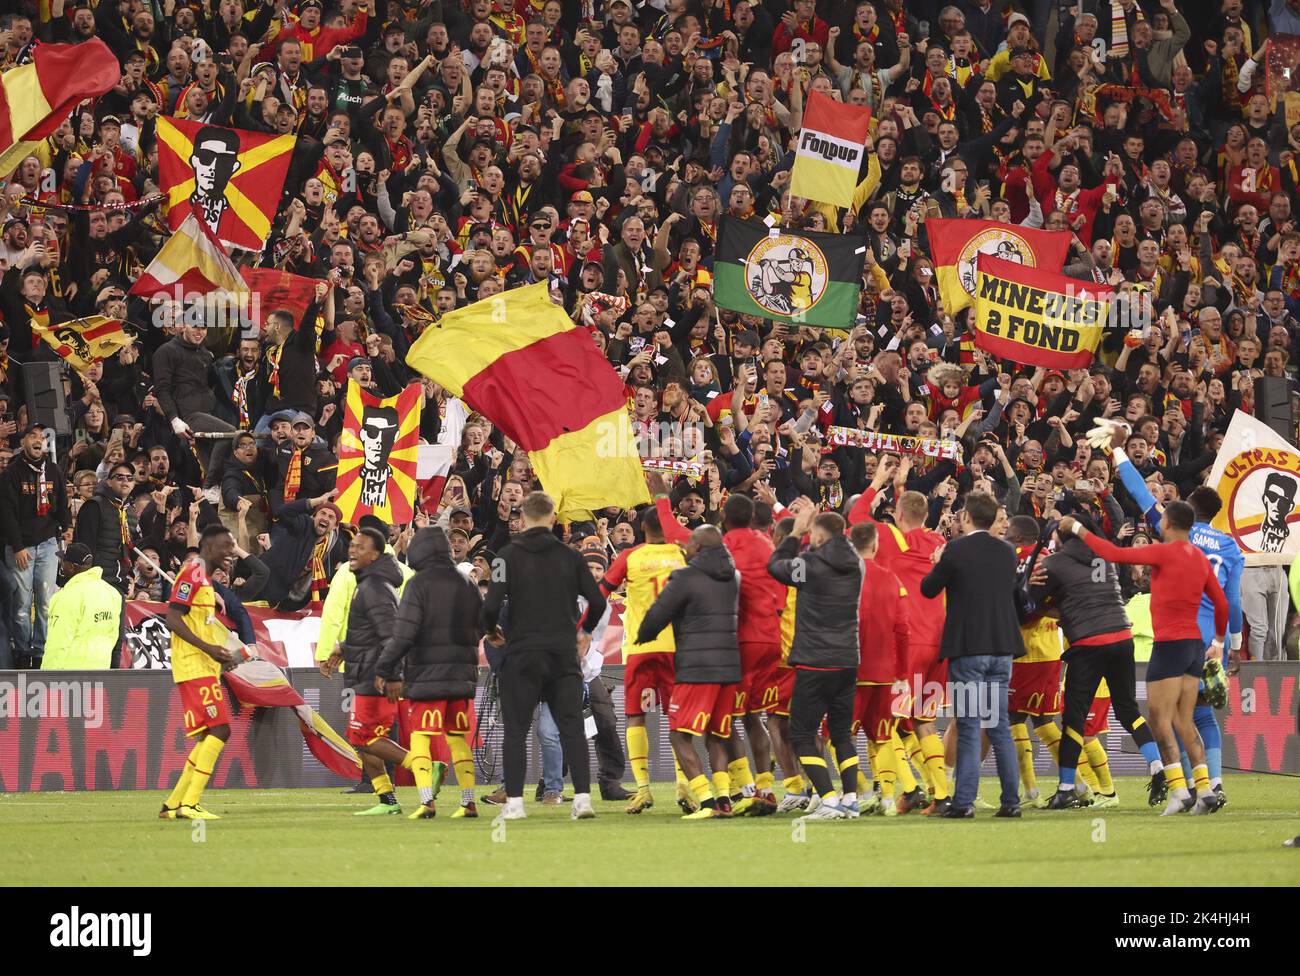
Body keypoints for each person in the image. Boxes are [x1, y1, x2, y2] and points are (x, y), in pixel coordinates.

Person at [1061, 502, 1229, 816]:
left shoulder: (1164, 552)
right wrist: (1218, 641)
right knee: (1184, 718)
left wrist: (1077, 528)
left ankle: (1179, 790)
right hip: (1194, 644)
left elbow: (1113, 554)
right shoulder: (1200, 558)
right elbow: (1221, 603)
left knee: (1159, 720)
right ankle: (1204, 789)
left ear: (1168, 523)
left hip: (1170, 644)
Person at [1030, 513, 1168, 810]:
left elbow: (1033, 602)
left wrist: (1048, 604)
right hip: (1121, 636)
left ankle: (1067, 787)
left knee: (1075, 718)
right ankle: (1157, 766)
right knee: (1129, 709)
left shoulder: (1054, 563)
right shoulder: (1105, 553)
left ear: (1062, 537)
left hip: (1089, 642)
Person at [482, 491, 606, 822]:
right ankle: (581, 799)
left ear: (522, 519)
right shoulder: (572, 558)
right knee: (571, 728)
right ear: (553, 518)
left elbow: (490, 606)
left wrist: (491, 631)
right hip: (562, 654)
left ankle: (516, 805)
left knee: (516, 730)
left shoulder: (503, 558)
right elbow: (598, 601)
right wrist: (585, 632)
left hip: (522, 654)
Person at [920, 491, 1022, 818]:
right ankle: (1011, 802)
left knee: (968, 725)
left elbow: (928, 589)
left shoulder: (955, 550)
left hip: (968, 651)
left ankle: (963, 803)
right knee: (998, 725)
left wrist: (937, 563)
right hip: (1002, 650)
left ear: (965, 518)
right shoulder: (1008, 552)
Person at [376, 526, 484, 820]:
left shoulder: (418, 584)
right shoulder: (467, 583)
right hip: (462, 677)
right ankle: (468, 802)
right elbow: (483, 623)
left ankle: (427, 802)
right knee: (458, 738)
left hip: (427, 676)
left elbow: (403, 633)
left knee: (421, 736)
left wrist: (386, 668)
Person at [635, 525, 742, 820]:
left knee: (678, 735)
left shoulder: (685, 577)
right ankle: (723, 799)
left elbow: (659, 613)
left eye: (691, 542)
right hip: (729, 666)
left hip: (697, 668)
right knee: (717, 735)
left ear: (697, 546)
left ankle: (706, 801)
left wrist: (642, 635)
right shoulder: (732, 576)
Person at [600, 473, 691, 814]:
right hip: (674, 648)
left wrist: (581, 626)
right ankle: (685, 782)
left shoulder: (631, 556)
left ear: (642, 531)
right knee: (676, 718)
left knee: (635, 716)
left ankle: (642, 789)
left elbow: (602, 592)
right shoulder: (683, 553)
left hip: (638, 647)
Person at [767, 499, 863, 821]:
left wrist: (795, 532)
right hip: (848, 660)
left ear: (817, 537)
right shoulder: (856, 563)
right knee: (840, 734)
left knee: (803, 734)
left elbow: (776, 565)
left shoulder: (809, 565)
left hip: (815, 661)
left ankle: (829, 799)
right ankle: (850, 799)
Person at [324, 525, 419, 816]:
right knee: (360, 739)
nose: (353, 550)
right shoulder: (368, 584)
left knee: (363, 738)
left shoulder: (376, 587)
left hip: (375, 676)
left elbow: (392, 635)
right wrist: (344, 648)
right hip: (364, 670)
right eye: (352, 545)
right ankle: (387, 800)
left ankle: (424, 766)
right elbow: (369, 634)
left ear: (375, 555)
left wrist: (392, 675)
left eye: (361, 547)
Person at [158, 525, 238, 821]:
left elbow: (196, 621)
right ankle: (190, 804)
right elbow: (172, 618)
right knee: (220, 729)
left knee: (209, 734)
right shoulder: (192, 573)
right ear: (208, 547)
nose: (231, 552)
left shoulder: (204, 579)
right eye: (226, 546)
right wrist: (208, 648)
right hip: (192, 664)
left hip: (204, 665)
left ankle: (174, 804)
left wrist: (220, 653)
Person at [848, 521, 909, 817]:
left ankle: (862, 789)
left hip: (851, 669)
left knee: (837, 734)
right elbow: (903, 628)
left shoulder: (845, 579)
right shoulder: (892, 579)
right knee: (882, 736)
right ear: (874, 545)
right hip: (884, 672)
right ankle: (886, 798)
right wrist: (903, 673)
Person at [0, 423, 70, 669]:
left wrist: (67, 524)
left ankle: (40, 651)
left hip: (48, 543)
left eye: (42, 437)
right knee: (21, 602)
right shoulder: (11, 473)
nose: (38, 440)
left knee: (45, 601)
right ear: (23, 441)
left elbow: (61, 499)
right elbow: (6, 513)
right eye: (33, 436)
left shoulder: (52, 469)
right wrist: (18, 546)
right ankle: (22, 650)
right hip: (21, 547)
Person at [42, 543, 125, 669]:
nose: (61, 566)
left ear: (70, 566)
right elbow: (113, 636)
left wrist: (47, 679)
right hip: (100, 673)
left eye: (63, 562)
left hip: (69, 678)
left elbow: (57, 643)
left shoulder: (66, 597)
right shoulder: (112, 593)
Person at [71, 462, 136, 594]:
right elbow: (84, 547)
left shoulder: (130, 512)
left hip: (120, 583)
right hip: (96, 584)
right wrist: (89, 581)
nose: (125, 481)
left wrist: (129, 575)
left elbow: (131, 547)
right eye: (119, 477)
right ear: (109, 482)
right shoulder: (94, 506)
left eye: (129, 478)